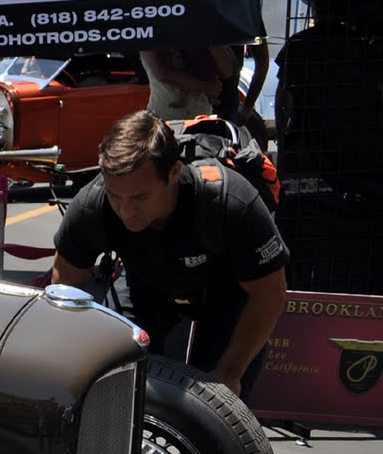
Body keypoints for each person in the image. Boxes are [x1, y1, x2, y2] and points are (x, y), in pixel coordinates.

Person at [51, 110, 288, 398]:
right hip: (146, 287)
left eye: (140, 197)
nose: (127, 211)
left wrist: (230, 372)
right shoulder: (93, 205)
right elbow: (62, 291)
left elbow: (269, 296)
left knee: (214, 406)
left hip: (227, 296)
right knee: (111, 385)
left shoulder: (230, 202)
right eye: (116, 196)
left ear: (174, 173)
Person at [140, 46, 238, 119]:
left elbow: (227, 71)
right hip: (163, 117)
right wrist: (205, 87)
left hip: (201, 117)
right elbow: (162, 73)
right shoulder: (151, 32)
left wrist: (206, 35)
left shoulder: (205, 29)